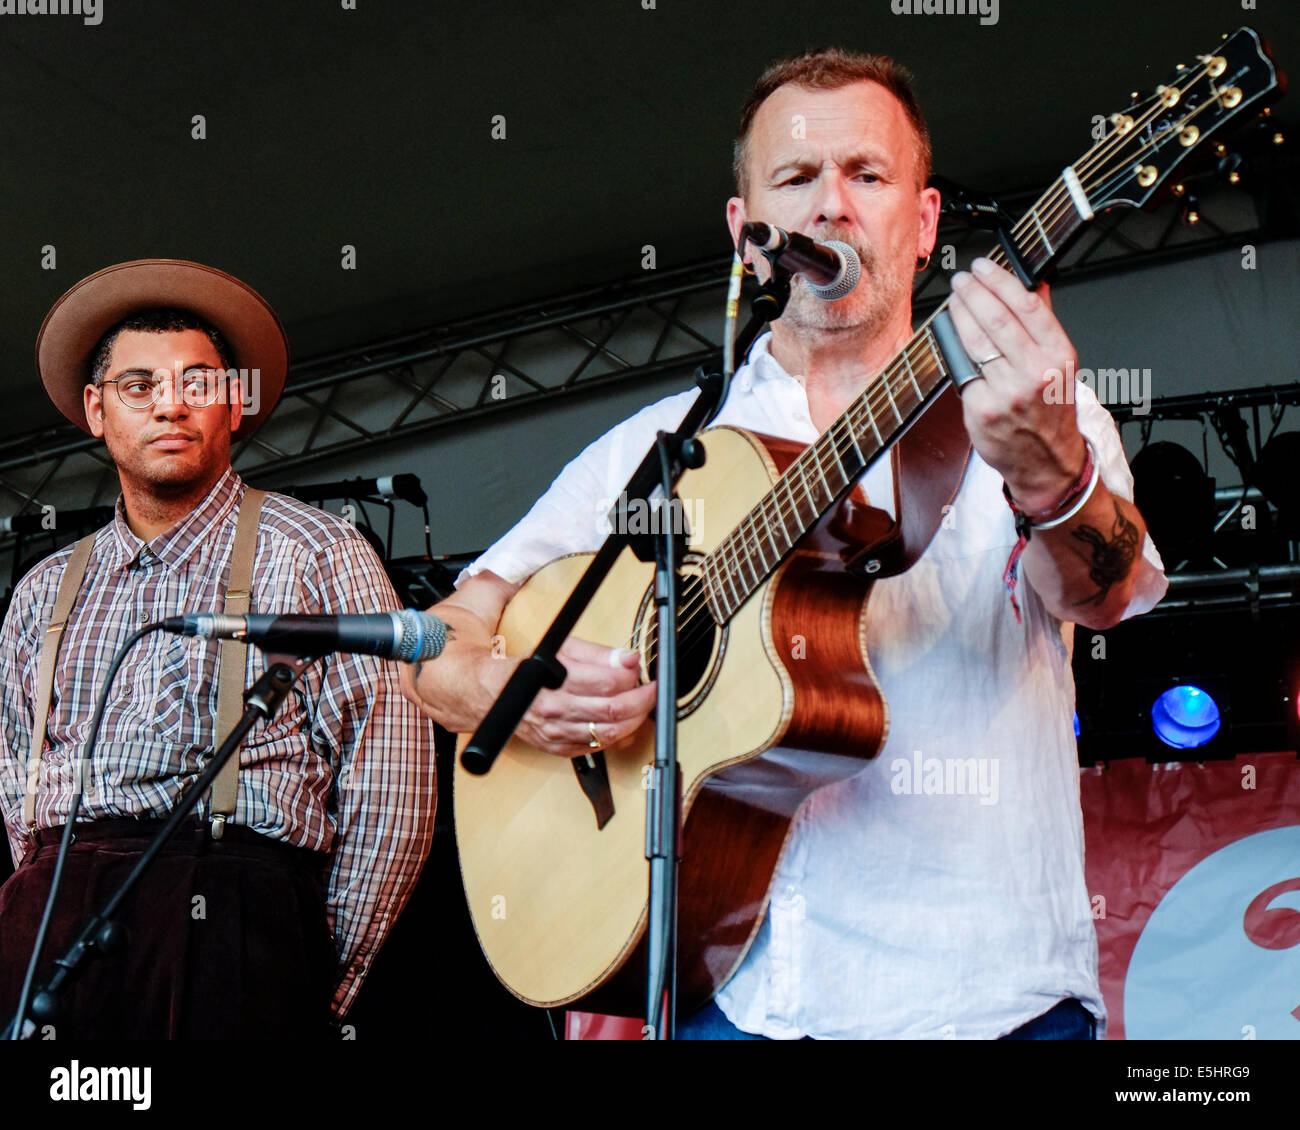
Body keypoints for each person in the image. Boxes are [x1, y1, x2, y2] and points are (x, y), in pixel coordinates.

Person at [402, 50, 1168, 1039]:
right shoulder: (661, 446)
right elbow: (443, 632)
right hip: (739, 995)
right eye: (797, 179)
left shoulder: (1026, 399)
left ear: (925, 221)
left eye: (867, 174)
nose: (831, 207)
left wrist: (1052, 474)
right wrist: (507, 690)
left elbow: (1107, 593)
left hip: (985, 996)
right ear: (745, 231)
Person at [0, 259, 437, 1039]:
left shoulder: (316, 551)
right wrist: (39, 906)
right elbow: (17, 784)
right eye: (139, 386)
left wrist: (317, 973)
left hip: (237, 918)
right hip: (56, 930)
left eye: (198, 384)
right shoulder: (41, 591)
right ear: (97, 410)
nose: (171, 404)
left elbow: (389, 780)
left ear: (235, 403)